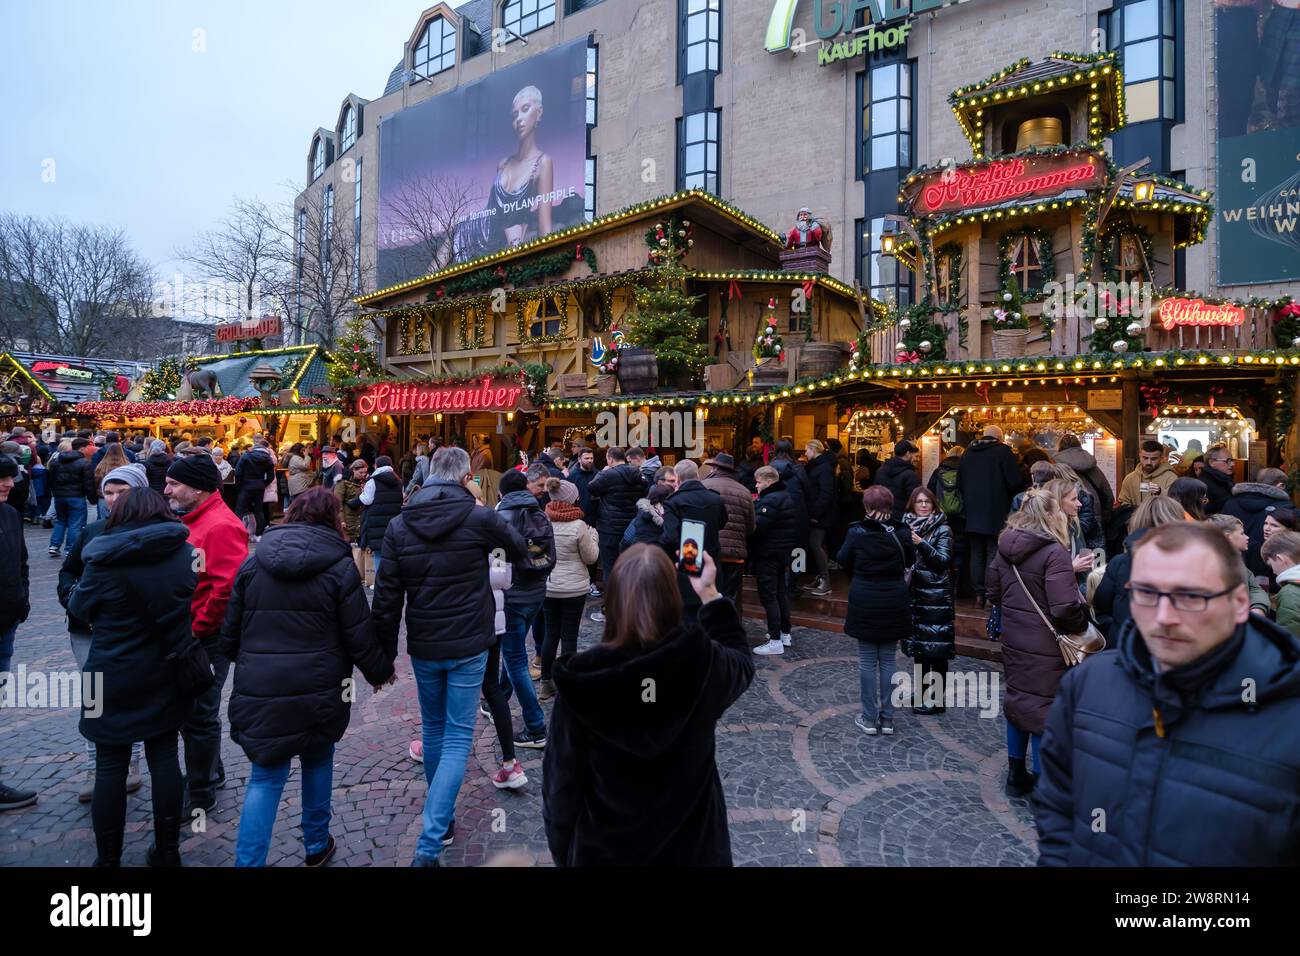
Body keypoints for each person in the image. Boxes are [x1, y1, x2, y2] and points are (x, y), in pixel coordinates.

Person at [1035, 522, 1300, 865]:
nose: (1163, 617)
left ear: (1238, 602)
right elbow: (1059, 805)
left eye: (1190, 596)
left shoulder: (1288, 717)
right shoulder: (1088, 685)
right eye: (1146, 593)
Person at [543, 546, 754, 866]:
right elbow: (741, 661)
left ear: (613, 601)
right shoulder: (701, 662)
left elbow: (560, 793)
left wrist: (565, 856)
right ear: (672, 597)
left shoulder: (583, 683)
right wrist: (709, 592)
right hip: (694, 853)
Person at [222, 488, 395, 867]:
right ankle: (317, 845)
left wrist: (251, 661)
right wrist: (380, 671)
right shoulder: (339, 566)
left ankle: (248, 863)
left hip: (263, 685)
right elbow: (358, 632)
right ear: (332, 518)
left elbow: (229, 633)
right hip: (321, 686)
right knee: (317, 761)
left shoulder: (254, 564)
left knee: (265, 777)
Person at [371, 446, 526, 866]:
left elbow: (386, 598)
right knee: (456, 736)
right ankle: (432, 836)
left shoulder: (400, 525)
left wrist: (381, 659)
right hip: (469, 641)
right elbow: (518, 549)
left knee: (435, 729)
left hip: (425, 642)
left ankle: (442, 821)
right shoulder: (477, 516)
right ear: (463, 478)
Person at [67, 487, 197, 865]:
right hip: (166, 669)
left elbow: (79, 609)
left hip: (110, 674)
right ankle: (168, 851)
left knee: (109, 766)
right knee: (165, 759)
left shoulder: (103, 561)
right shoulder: (186, 554)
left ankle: (108, 860)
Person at [984, 491, 1090, 796]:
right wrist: (1082, 621)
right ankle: (1044, 782)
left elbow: (993, 591)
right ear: (1050, 514)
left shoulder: (1004, 546)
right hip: (1047, 643)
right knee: (1044, 707)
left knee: (1019, 701)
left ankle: (1016, 775)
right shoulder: (1054, 552)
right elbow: (1063, 607)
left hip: (1015, 637)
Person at [163, 454, 249, 816]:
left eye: (174, 484)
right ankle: (211, 770)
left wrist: (199, 627)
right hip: (193, 632)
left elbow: (226, 588)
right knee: (194, 711)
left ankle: (202, 790)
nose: (166, 489)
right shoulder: (195, 518)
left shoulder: (220, 525)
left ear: (197, 488)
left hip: (205, 637)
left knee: (200, 713)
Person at [58, 464, 149, 803]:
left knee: (130, 693)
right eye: (108, 493)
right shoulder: (92, 531)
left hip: (131, 632)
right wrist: (72, 599)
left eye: (120, 493)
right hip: (87, 631)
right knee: (94, 695)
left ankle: (132, 762)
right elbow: (69, 571)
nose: (112, 499)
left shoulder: (151, 533)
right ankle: (95, 766)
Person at [838, 485, 915, 735]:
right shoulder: (902, 532)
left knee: (868, 661)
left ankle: (869, 718)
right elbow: (911, 560)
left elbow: (842, 559)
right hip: (894, 596)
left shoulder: (857, 532)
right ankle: (888, 718)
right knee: (889, 660)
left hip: (865, 597)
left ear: (867, 506)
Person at [457, 85, 556, 257]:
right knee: (457, 231)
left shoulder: (543, 163)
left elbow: (544, 225)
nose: (519, 119)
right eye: (514, 115)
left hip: (503, 241)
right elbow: (491, 208)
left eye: (525, 109)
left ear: (539, 112)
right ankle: (422, 284)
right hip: (481, 229)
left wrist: (546, 262)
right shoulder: (503, 163)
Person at [494, 469, 552, 749]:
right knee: (514, 652)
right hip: (536, 594)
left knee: (515, 659)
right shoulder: (540, 512)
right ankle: (496, 698)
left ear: (502, 492)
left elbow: (496, 569)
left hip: (512, 597)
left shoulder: (501, 518)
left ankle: (535, 727)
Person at [1091, 496, 1187, 639]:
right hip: (1172, 644)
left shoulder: (1120, 563)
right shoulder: (1191, 563)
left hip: (1125, 644)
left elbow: (1102, 603)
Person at [0, 454, 38, 811]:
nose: (8, 484)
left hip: (6, 621)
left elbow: (21, 560)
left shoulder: (10, 514)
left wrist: (21, 599)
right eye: (1, 478)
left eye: (10, 478)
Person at [539, 478, 598, 702]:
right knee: (569, 635)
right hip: (574, 588)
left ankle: (546, 683)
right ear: (572, 498)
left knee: (550, 633)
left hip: (549, 585)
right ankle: (567, 683)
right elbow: (591, 557)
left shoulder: (543, 521)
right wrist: (594, 536)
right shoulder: (579, 525)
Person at [957, 425, 1024, 607]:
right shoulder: (1003, 452)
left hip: (972, 513)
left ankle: (978, 595)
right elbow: (1014, 482)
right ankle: (990, 594)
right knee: (993, 552)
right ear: (999, 438)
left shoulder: (968, 453)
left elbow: (959, 483)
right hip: (996, 512)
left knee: (976, 553)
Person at [902, 487, 954, 714]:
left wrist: (921, 543)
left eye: (927, 502)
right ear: (912, 505)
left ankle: (938, 698)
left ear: (934, 504)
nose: (923, 505)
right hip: (915, 594)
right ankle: (922, 693)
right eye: (919, 502)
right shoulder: (906, 527)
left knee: (937, 649)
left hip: (936, 595)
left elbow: (943, 560)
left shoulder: (943, 529)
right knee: (920, 648)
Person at [658, 460, 728, 625]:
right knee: (711, 613)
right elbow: (722, 523)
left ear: (678, 479)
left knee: (688, 616)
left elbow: (669, 537)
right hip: (711, 562)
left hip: (686, 565)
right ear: (697, 476)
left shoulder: (673, 502)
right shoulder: (715, 499)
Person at [586, 446, 648, 622]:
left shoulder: (607, 474)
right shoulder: (637, 474)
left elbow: (592, 488)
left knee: (610, 569)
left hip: (609, 528)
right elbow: (646, 491)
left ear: (610, 459)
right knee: (631, 567)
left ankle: (610, 610)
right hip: (631, 527)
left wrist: (603, 472)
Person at [750, 466, 796, 655]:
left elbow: (758, 528)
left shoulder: (770, 500)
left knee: (769, 595)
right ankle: (785, 633)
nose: (756, 485)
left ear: (769, 482)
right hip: (781, 552)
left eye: (759, 482)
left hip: (768, 554)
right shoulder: (785, 496)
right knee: (780, 593)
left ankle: (775, 639)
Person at [701, 452, 756, 602]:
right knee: (730, 596)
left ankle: (708, 624)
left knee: (707, 594)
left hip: (709, 551)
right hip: (734, 553)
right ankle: (728, 624)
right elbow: (751, 527)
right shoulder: (744, 492)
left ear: (715, 469)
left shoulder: (703, 486)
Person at [1220, 466, 1292, 579]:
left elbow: (1221, 529)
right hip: (1272, 566)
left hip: (1235, 564)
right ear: (1280, 485)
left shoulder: (1231, 503)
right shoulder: (1284, 508)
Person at [349, 455, 403, 583]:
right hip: (393, 520)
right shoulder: (398, 481)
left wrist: (354, 501)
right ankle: (393, 580)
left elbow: (367, 500)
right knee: (391, 553)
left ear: (376, 466)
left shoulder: (373, 481)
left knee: (378, 553)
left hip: (376, 522)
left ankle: (380, 581)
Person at [1206, 513, 1271, 616]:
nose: (1247, 537)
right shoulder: (1208, 567)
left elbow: (1255, 589)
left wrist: (1258, 607)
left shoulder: (1236, 562)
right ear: (1227, 537)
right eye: (1242, 534)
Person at [48, 437, 97, 558]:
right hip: (76, 496)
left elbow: (51, 480)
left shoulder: (56, 462)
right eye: (86, 448)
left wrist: (55, 493)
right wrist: (92, 498)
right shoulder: (84, 463)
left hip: (60, 496)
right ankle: (70, 548)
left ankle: (54, 545)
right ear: (82, 448)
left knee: (61, 521)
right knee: (76, 523)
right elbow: (88, 483)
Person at [1053, 434, 1114, 529]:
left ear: (1060, 448)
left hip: (1067, 519)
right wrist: (1104, 517)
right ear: (1079, 445)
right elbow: (1108, 495)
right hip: (1095, 516)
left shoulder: (1057, 468)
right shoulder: (1094, 468)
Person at [803, 439, 838, 596]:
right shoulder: (820, 466)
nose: (805, 453)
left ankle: (825, 581)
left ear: (813, 450)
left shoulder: (823, 468)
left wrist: (815, 514)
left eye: (806, 450)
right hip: (821, 513)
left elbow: (825, 493)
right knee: (819, 545)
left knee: (816, 544)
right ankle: (821, 578)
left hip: (821, 515)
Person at [233, 438, 275, 540]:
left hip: (246, 485)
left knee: (239, 510)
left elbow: (238, 473)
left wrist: (239, 486)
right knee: (258, 510)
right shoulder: (268, 459)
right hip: (259, 486)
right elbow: (271, 477)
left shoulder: (246, 456)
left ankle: (237, 534)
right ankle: (258, 534)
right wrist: (263, 484)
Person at [1117, 440, 1179, 509]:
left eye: (1153, 459)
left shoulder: (1171, 477)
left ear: (1161, 458)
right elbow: (1124, 503)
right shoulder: (1129, 478)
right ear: (1140, 456)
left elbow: (1175, 503)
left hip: (1160, 519)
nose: (1149, 462)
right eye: (1145, 458)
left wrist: (1160, 492)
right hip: (1136, 519)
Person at [1262, 531, 1300, 636]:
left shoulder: (1289, 593)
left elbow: (1289, 636)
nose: (1273, 571)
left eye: (1271, 565)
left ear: (1280, 559)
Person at [873, 439, 921, 519]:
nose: (917, 459)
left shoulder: (880, 470)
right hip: (902, 521)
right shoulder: (910, 474)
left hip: (882, 517)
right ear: (908, 454)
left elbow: (875, 495)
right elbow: (915, 500)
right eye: (915, 456)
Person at [620, 483, 672, 550]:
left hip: (638, 550)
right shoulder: (665, 514)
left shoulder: (643, 511)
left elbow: (627, 539)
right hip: (655, 552)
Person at [92, 443, 130, 520]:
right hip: (123, 497)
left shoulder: (101, 466)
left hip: (104, 497)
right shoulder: (127, 465)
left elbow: (95, 480)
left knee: (104, 522)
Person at [1199, 444, 1235, 515]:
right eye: (1228, 461)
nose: (1232, 464)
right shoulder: (1204, 485)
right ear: (1212, 462)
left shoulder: (1224, 480)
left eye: (1232, 460)